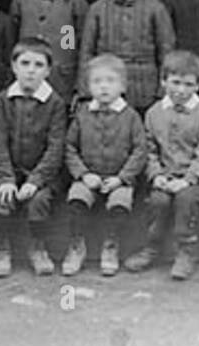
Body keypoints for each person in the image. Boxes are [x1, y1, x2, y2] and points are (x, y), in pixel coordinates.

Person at [125, 49, 199, 280]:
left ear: (197, 86)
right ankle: (152, 247)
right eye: (175, 82)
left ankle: (186, 251)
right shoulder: (154, 113)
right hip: (165, 175)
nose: (180, 90)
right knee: (158, 200)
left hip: (194, 176)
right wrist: (156, 174)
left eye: (188, 84)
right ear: (163, 81)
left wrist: (188, 179)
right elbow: (148, 149)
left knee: (187, 200)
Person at [62, 54, 147, 277]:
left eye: (110, 81)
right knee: (77, 200)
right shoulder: (82, 115)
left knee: (120, 204)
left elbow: (140, 150)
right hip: (88, 176)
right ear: (88, 86)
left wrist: (122, 177)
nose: (104, 87)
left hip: (119, 179)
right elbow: (70, 147)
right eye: (97, 82)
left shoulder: (131, 117)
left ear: (122, 85)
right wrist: (83, 174)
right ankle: (76, 245)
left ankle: (111, 244)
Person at [0, 38, 67, 278]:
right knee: (2, 198)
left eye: (38, 64)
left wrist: (35, 180)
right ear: (14, 67)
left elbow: (55, 148)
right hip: (11, 170)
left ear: (47, 70)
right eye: (24, 63)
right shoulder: (3, 100)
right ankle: (1, 248)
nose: (31, 70)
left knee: (39, 200)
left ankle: (37, 247)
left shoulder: (55, 103)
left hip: (42, 174)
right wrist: (5, 178)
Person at [80, 0, 174, 115]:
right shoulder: (97, 9)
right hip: (106, 87)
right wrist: (85, 91)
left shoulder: (156, 9)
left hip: (146, 90)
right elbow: (86, 51)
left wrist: (162, 92)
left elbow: (166, 50)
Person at [6, 0, 87, 104]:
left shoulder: (74, 2)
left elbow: (73, 42)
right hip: (26, 80)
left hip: (61, 81)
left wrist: (78, 85)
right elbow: (12, 38)